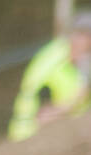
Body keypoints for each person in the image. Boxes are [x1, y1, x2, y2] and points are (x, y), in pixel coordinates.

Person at [8, 10, 91, 141]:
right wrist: (58, 111)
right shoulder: (55, 59)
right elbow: (37, 96)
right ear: (76, 36)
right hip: (31, 132)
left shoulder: (80, 61)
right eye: (87, 36)